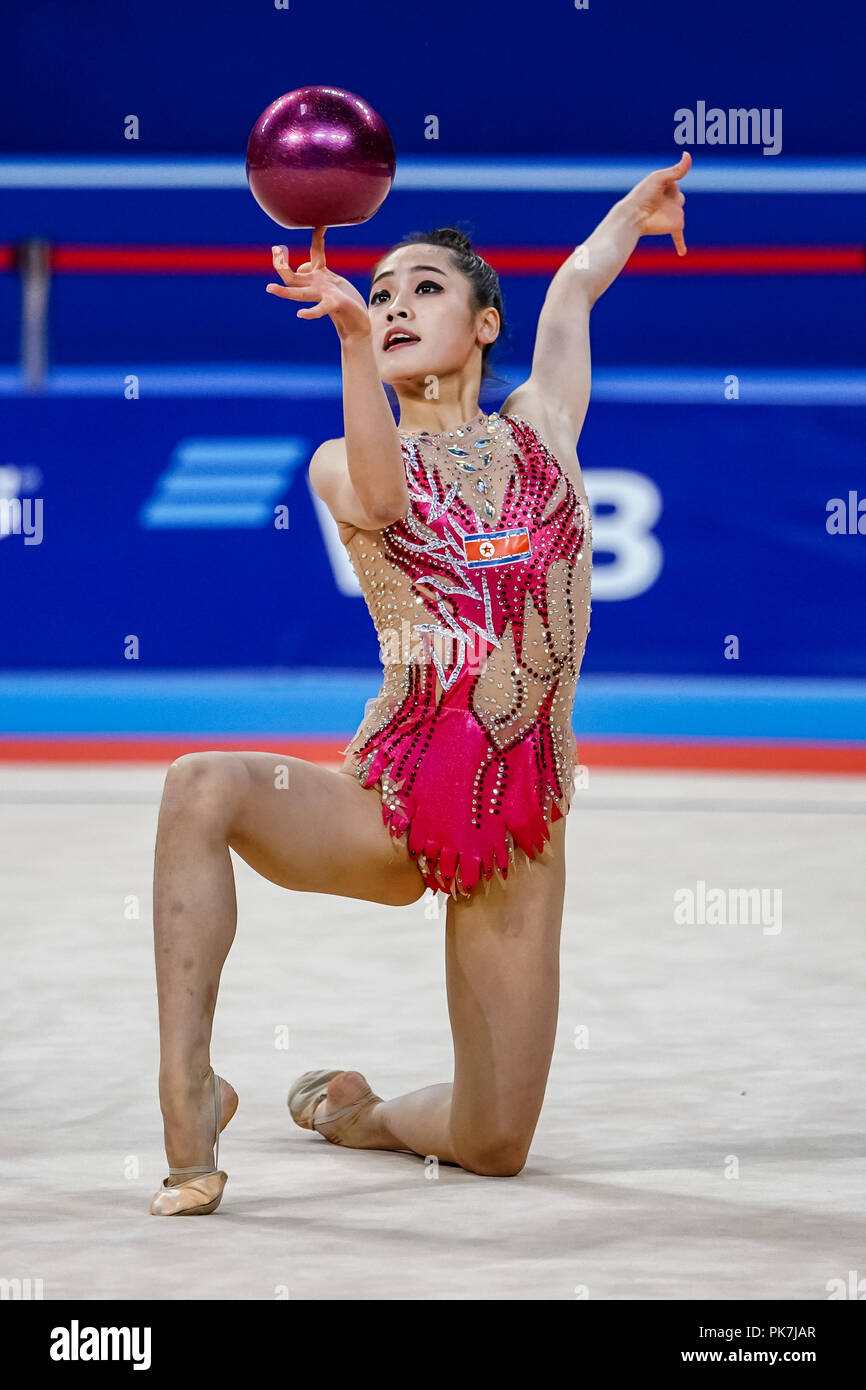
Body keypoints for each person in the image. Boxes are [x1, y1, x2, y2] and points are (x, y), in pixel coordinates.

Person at [149, 152, 691, 1215]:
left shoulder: (543, 429)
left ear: (485, 324)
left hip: (521, 819)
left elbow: (575, 286)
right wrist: (352, 342)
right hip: (387, 799)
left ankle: (362, 1115)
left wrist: (632, 211)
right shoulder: (338, 463)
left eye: (422, 289)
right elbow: (390, 493)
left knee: (493, 1145)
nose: (394, 304)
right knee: (198, 784)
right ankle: (189, 1096)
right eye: (381, 292)